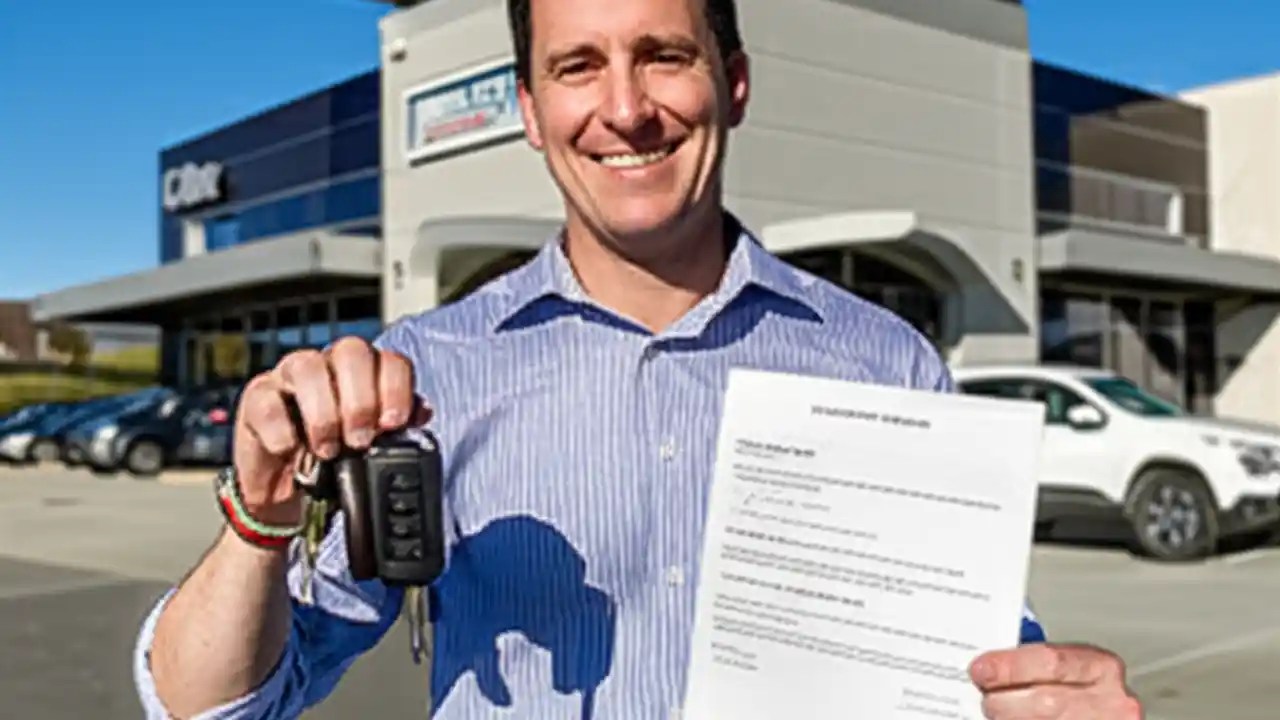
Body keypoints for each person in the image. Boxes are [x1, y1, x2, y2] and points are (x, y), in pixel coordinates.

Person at [135, 0, 1144, 717]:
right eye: (576, 66)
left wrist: (1045, 694)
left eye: (662, 54)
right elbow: (214, 706)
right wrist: (259, 511)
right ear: (529, 112)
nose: (624, 109)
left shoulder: (884, 361)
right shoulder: (423, 376)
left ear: (732, 83)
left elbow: (964, 660)